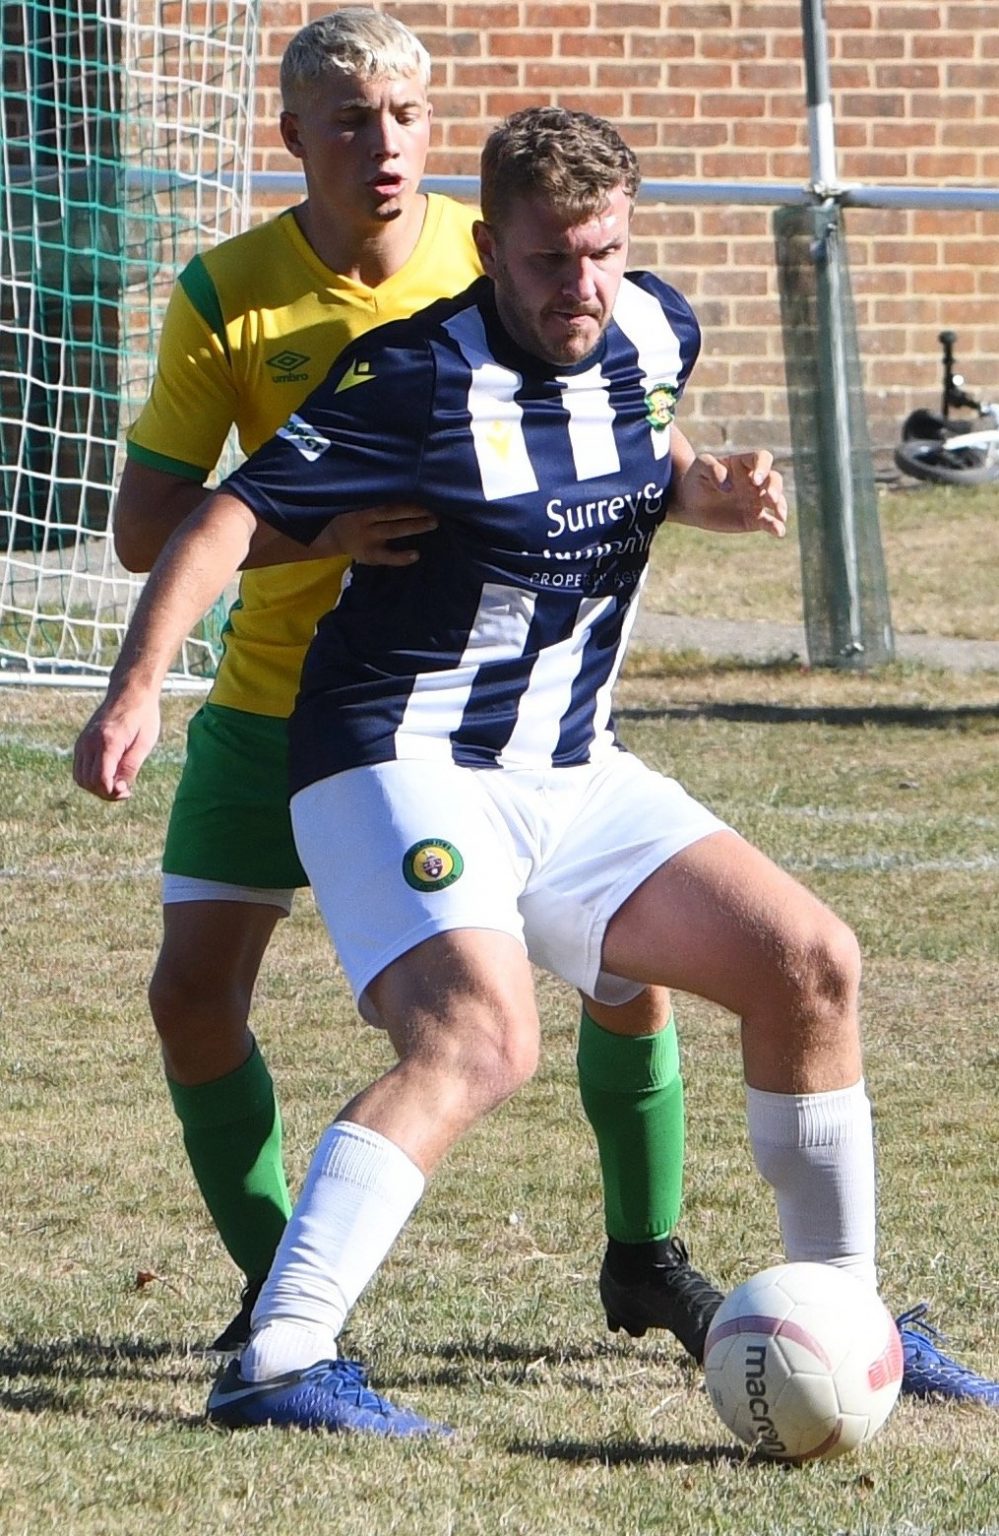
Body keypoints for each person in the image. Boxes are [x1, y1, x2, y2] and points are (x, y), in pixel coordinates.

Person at [85, 102, 998, 1427]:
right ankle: (279, 1358)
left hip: (573, 769)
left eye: (604, 254)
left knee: (812, 964)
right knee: (480, 1035)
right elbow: (221, 520)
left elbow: (643, 455)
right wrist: (132, 694)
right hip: (396, 754)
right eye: (549, 262)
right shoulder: (412, 378)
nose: (582, 287)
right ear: (491, 252)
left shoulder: (654, 327)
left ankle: (846, 1318)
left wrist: (707, 492)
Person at [111, 8, 722, 1364]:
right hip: (278, 702)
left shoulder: (503, 248)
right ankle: (281, 1285)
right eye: (348, 123)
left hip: (465, 715)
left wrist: (696, 483)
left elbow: (620, 420)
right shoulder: (233, 295)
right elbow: (149, 530)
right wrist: (310, 530)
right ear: (293, 140)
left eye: (403, 119)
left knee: (626, 971)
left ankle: (648, 1256)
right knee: (191, 995)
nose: (383, 148)